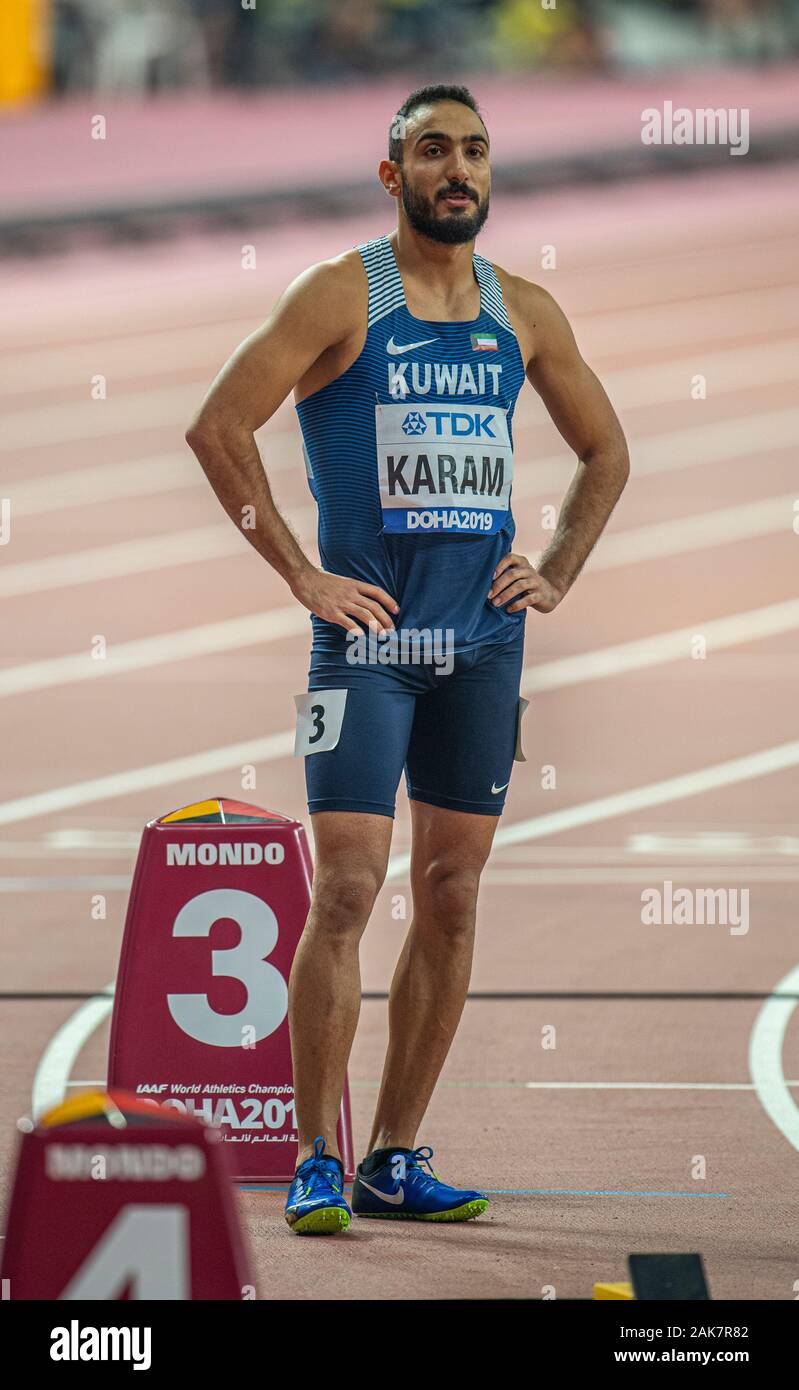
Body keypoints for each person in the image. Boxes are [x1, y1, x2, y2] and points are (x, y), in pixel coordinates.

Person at [186, 83, 629, 1235]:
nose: (458, 170)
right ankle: (312, 1160)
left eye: (474, 152)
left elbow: (605, 450)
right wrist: (301, 574)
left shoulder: (522, 311)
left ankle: (391, 1151)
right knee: (343, 891)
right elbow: (218, 427)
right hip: (367, 645)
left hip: (483, 643)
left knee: (451, 891)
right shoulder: (341, 295)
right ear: (394, 175)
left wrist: (560, 566)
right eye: (433, 150)